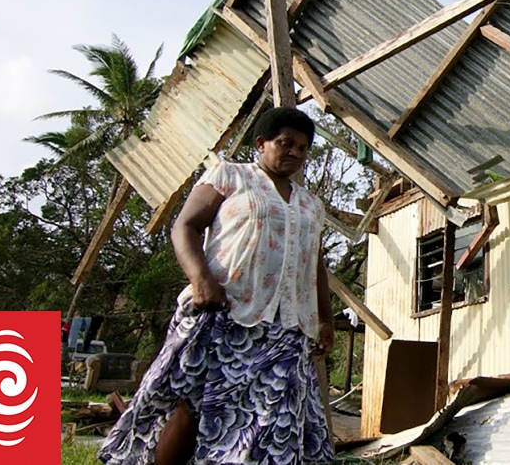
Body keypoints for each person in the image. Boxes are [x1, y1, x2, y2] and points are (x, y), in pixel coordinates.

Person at [99, 106, 335, 465]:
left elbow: (315, 262)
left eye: (303, 148)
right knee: (194, 405)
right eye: (286, 143)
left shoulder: (310, 205)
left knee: (273, 419)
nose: (295, 153)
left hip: (287, 328)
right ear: (261, 143)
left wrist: (326, 318)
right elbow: (185, 226)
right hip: (224, 315)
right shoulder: (230, 177)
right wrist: (201, 279)